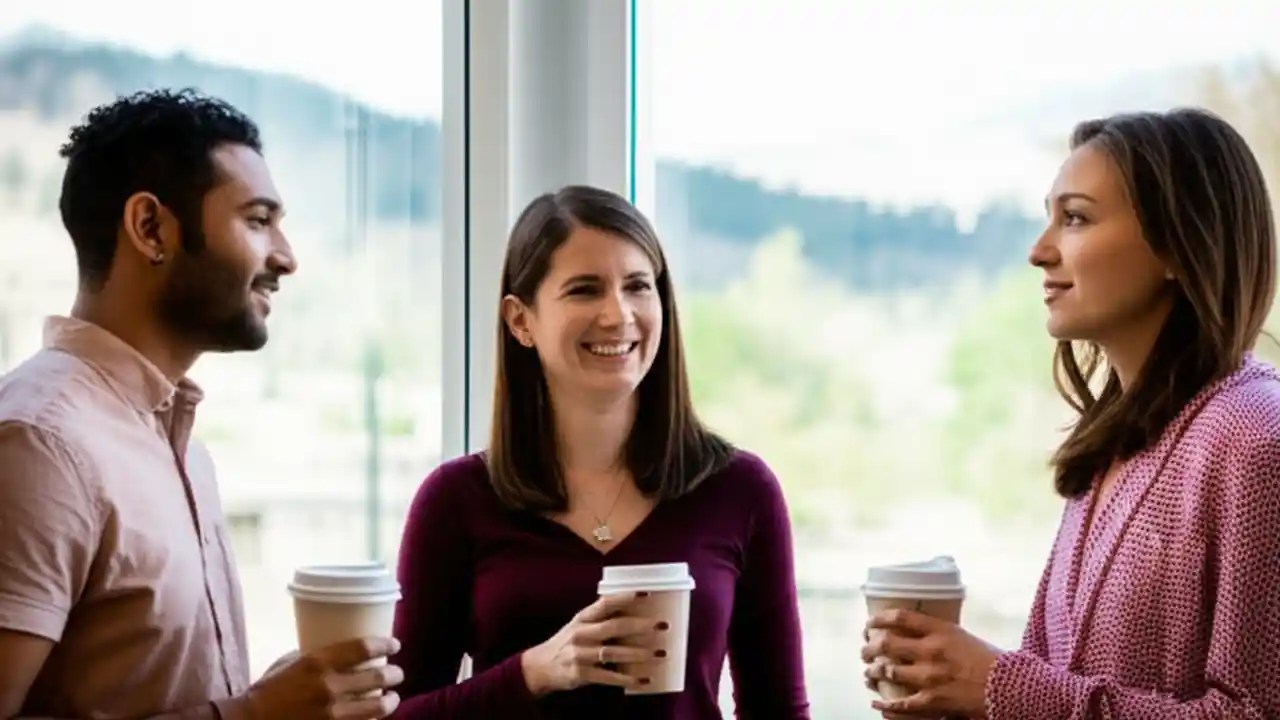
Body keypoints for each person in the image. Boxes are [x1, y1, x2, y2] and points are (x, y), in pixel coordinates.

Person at [860, 107, 1280, 718]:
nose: (1039, 251)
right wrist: (947, 688)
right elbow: (1054, 689)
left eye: (1076, 218)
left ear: (1180, 243)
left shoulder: (1256, 438)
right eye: (1049, 219)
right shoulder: (1114, 445)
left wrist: (999, 686)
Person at [0, 89, 402, 719]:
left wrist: (266, 700)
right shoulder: (41, 442)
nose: (286, 257)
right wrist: (253, 716)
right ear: (151, 228)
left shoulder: (178, 445)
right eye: (257, 219)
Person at [391, 185, 810, 718]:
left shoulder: (740, 489)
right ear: (521, 320)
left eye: (638, 287)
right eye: (585, 290)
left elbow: (780, 710)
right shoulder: (456, 500)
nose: (618, 315)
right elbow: (398, 715)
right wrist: (534, 673)